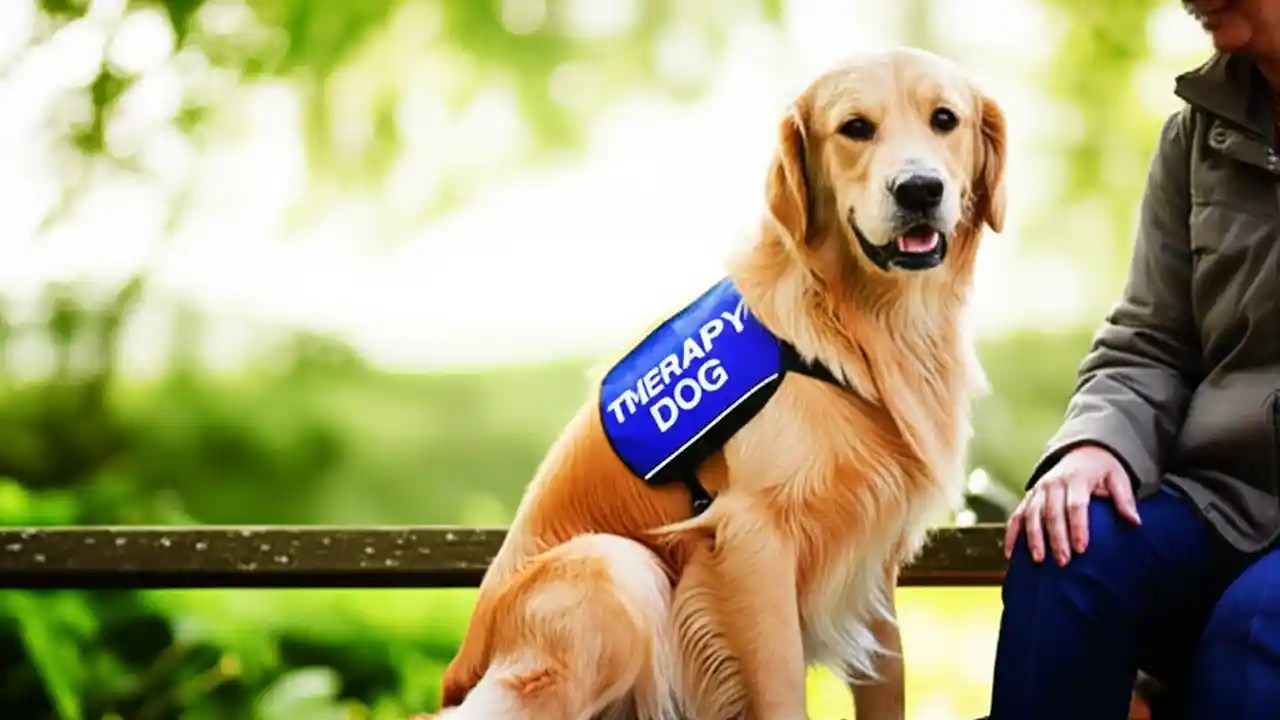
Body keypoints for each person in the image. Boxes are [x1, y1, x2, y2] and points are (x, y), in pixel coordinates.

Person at [987, 1, 1280, 718]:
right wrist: (1096, 445)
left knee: (1256, 631)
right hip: (1224, 499)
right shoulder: (1192, 137)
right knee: (1063, 554)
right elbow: (1149, 340)